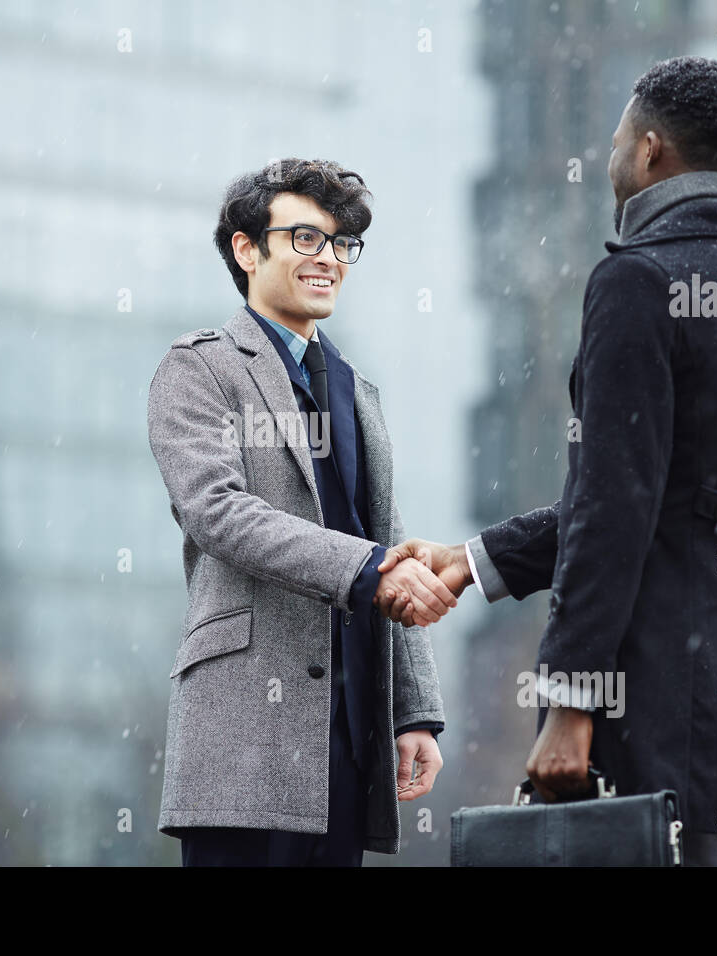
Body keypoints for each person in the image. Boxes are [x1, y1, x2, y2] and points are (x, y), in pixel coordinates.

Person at [378, 57, 717, 867]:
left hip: (633, 683)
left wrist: (571, 701)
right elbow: (663, 498)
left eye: (616, 141)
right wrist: (475, 560)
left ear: (648, 152)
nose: (610, 157)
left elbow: (616, 503)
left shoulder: (637, 281)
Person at [147, 158, 453, 866]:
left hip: (348, 739)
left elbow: (389, 539)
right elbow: (217, 513)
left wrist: (415, 713)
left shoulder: (355, 390)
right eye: (306, 239)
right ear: (246, 249)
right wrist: (368, 567)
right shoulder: (199, 368)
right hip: (243, 736)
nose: (330, 260)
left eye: (341, 243)